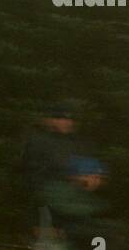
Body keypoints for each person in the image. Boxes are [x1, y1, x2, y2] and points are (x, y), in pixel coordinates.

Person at [22, 102, 85, 240]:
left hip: (69, 197)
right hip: (45, 194)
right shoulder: (38, 140)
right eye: (61, 118)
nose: (66, 122)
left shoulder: (75, 142)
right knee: (44, 232)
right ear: (51, 120)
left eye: (69, 119)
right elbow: (31, 169)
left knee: (63, 233)